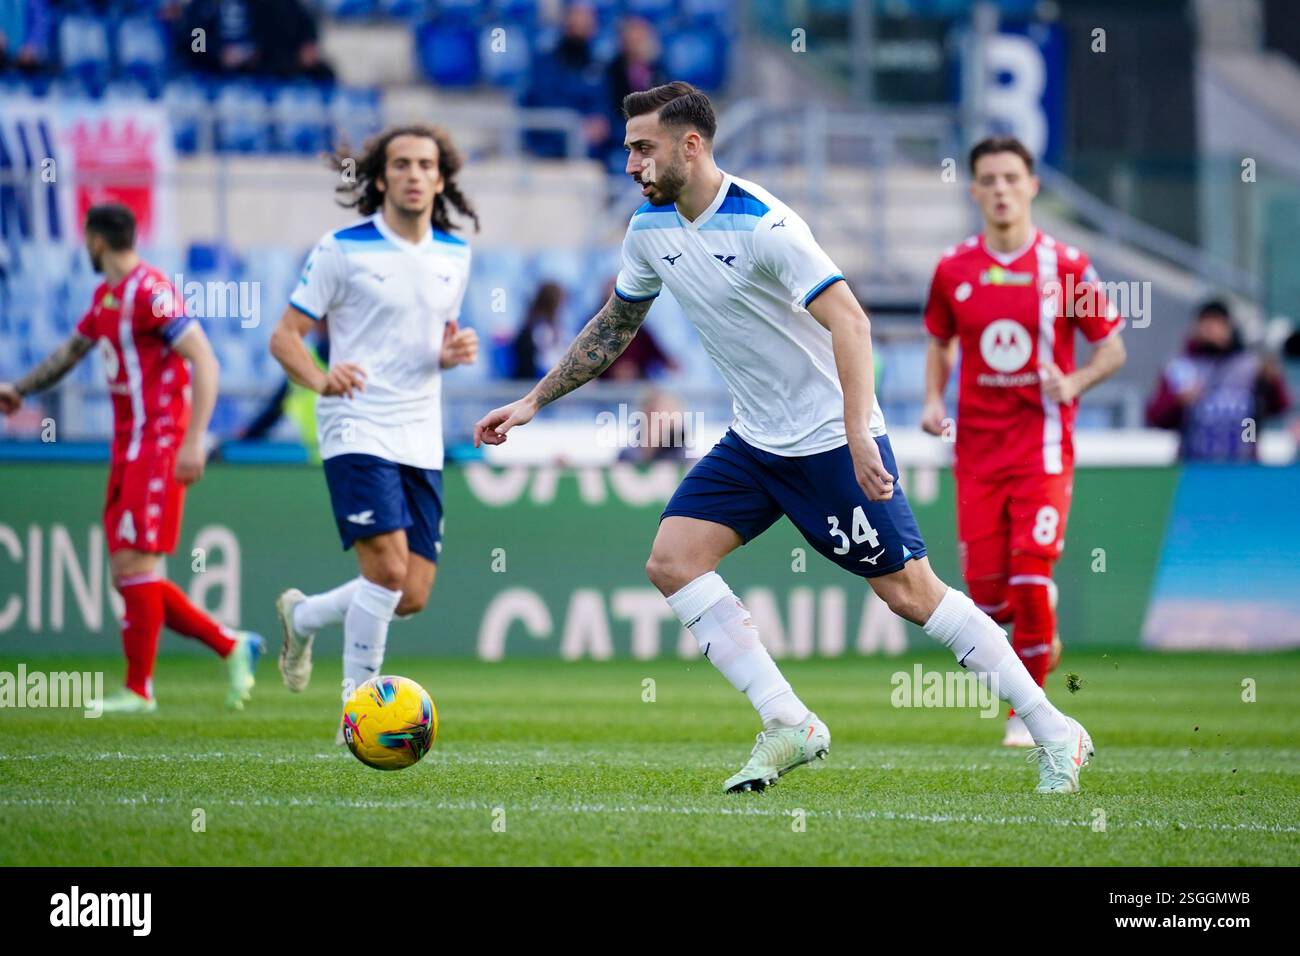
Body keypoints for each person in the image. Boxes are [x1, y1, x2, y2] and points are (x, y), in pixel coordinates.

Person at [475, 83, 1094, 795]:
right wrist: (532, 401)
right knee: (673, 563)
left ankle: (1055, 731)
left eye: (642, 150)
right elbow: (616, 324)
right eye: (626, 151)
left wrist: (860, 433)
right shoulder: (648, 230)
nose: (630, 166)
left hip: (830, 437)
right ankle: (788, 721)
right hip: (756, 440)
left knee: (911, 594)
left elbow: (852, 323)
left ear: (691, 146)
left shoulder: (764, 224)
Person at [0, 203, 263, 712]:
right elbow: (70, 353)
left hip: (159, 441)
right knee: (129, 570)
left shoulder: (151, 292)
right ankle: (232, 645)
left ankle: (140, 690)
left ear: (96, 240)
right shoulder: (107, 298)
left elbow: (204, 359)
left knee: (136, 562)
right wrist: (20, 390)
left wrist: (194, 439)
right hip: (128, 446)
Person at [268, 125, 479, 740]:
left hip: (420, 430)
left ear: (441, 180)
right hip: (356, 422)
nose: (415, 174)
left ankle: (303, 616)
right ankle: (355, 711)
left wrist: (449, 353)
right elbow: (284, 337)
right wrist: (320, 378)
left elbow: (431, 336)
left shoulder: (455, 255)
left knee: (409, 592)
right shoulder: (342, 249)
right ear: (381, 178)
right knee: (385, 573)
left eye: (426, 165)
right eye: (402, 164)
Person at [921, 136, 1127, 747]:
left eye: (1013, 177)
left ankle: (1028, 717)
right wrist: (934, 400)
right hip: (977, 456)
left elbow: (1112, 347)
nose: (1002, 189)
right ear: (975, 189)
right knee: (987, 598)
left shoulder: (1065, 266)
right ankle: (1033, 625)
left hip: (1041, 450)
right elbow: (940, 340)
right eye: (990, 179)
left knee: (1031, 578)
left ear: (1033, 185)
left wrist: (1076, 381)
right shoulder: (953, 269)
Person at [1145, 299, 1290, 461]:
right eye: (1206, 323)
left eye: (1218, 324)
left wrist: (1273, 381)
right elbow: (1154, 416)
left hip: (1244, 463)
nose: (1211, 330)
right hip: (1195, 465)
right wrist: (1178, 401)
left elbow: (1279, 407)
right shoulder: (1181, 367)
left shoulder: (1251, 366)